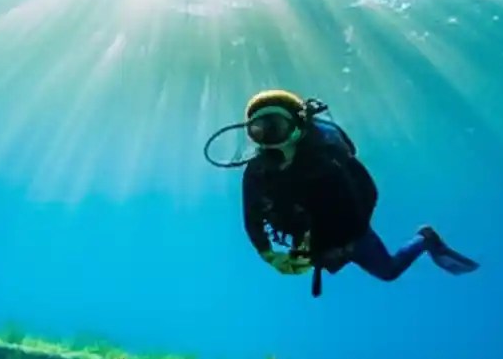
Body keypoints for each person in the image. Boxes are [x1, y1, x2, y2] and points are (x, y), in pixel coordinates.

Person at [203, 88, 478, 297]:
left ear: (298, 127)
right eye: (258, 131)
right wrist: (271, 256)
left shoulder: (330, 158)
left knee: (388, 272)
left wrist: (343, 244)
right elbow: (251, 217)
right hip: (310, 241)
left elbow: (368, 194)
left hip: (350, 235)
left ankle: (425, 238)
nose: (268, 139)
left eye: (275, 127)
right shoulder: (256, 171)